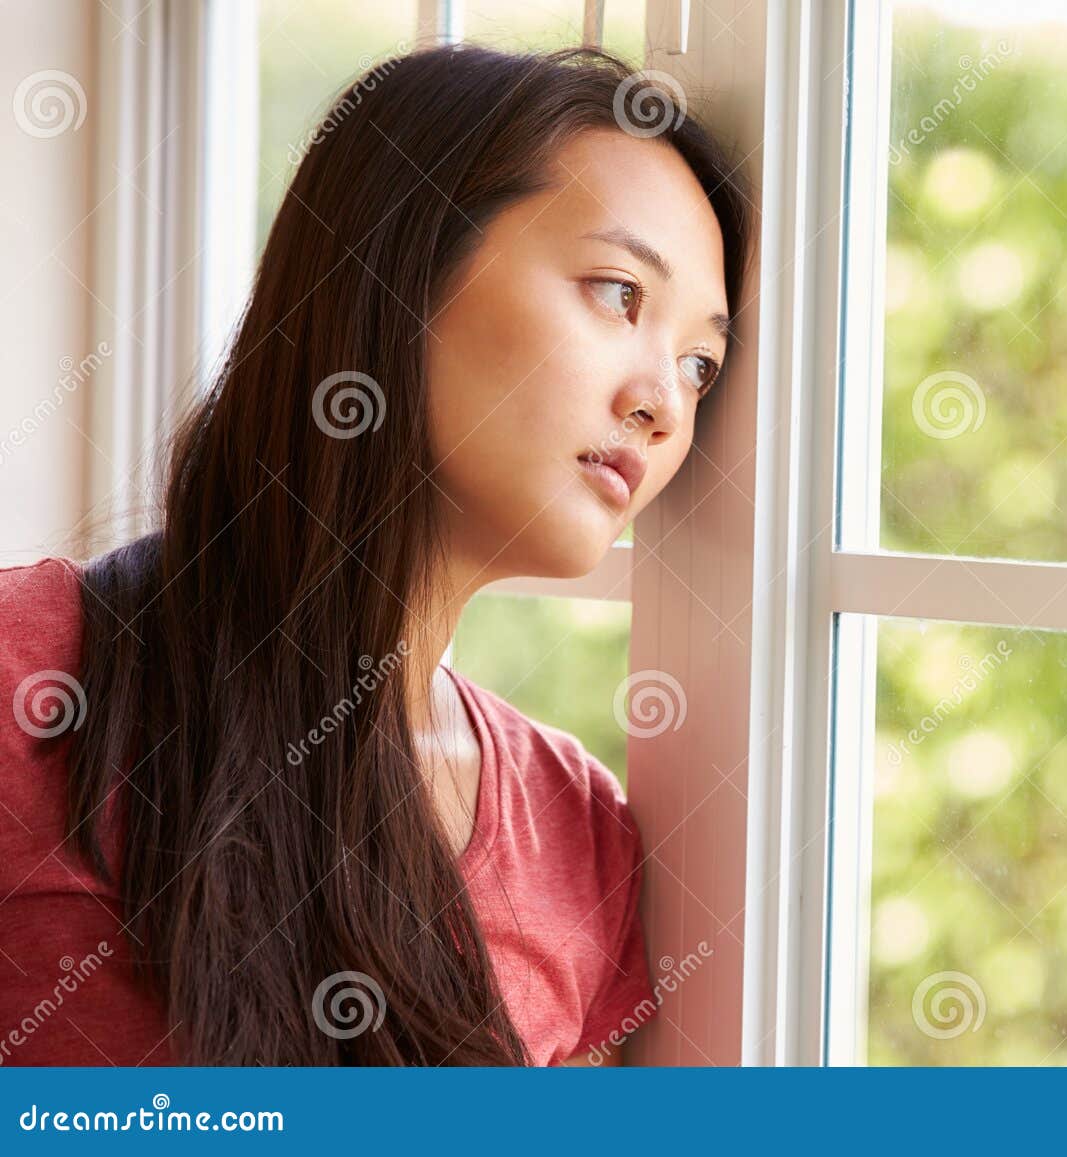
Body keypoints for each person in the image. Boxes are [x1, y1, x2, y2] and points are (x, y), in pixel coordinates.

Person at [0, 42, 751, 1066]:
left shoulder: (577, 837)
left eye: (701, 364)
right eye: (620, 293)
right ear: (396, 270)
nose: (663, 403)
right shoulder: (33, 678)